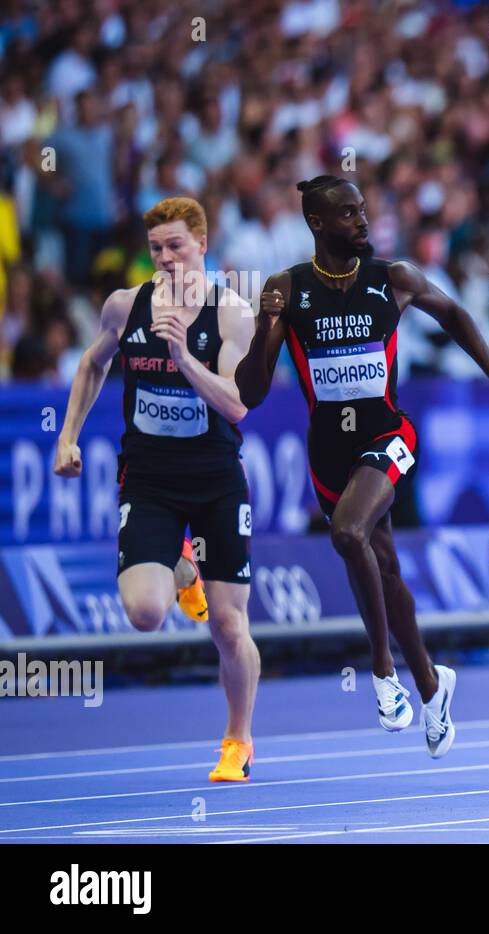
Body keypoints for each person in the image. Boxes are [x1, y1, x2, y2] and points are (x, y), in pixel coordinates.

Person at [236, 176, 489, 758]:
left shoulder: (393, 278)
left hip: (389, 435)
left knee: (348, 533)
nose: (362, 222)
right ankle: (432, 685)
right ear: (317, 223)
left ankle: (382, 671)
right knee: (384, 565)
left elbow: (455, 315)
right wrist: (266, 326)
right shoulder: (287, 289)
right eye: (348, 214)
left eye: (363, 211)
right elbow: (250, 392)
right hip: (328, 453)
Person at [54, 197, 260, 782]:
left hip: (216, 481)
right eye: (155, 249)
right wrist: (67, 436)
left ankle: (238, 740)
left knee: (228, 625)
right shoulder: (126, 306)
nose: (165, 258)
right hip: (148, 480)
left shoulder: (231, 314)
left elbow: (237, 404)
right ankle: (183, 567)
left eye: (176, 246)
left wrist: (183, 357)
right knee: (146, 612)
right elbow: (92, 364)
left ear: (202, 245)